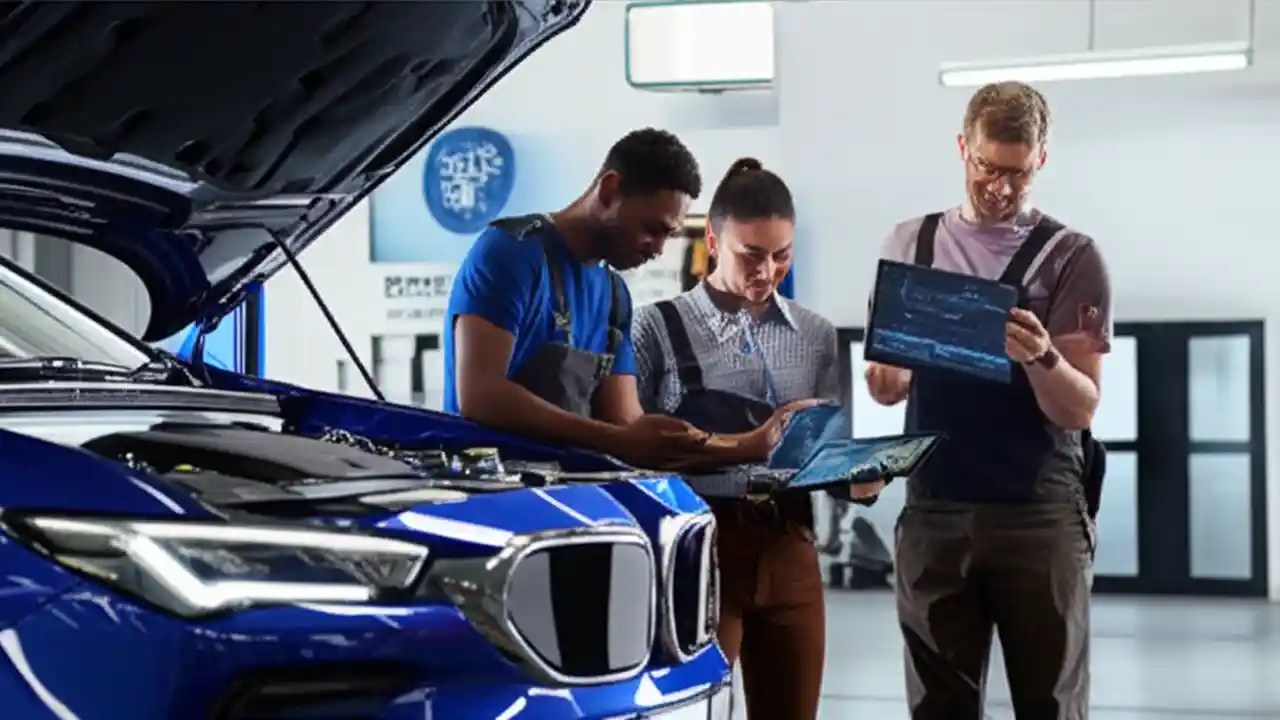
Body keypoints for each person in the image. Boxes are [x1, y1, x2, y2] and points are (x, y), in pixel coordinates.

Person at [865, 82, 1111, 719]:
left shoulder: (1071, 258)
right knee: (938, 706)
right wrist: (890, 369)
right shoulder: (908, 244)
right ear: (961, 149)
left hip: (1037, 520)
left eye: (1018, 173)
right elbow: (886, 387)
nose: (1000, 188)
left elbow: (1080, 408)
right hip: (934, 510)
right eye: (986, 167)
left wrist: (1042, 357)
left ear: (1041, 162)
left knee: (1049, 703)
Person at [633, 157, 884, 720]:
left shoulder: (816, 336)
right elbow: (635, 446)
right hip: (698, 546)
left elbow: (824, 451)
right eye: (751, 253)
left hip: (790, 543)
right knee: (690, 711)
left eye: (781, 254)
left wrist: (858, 479)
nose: (767, 270)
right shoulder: (654, 328)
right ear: (714, 242)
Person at [443, 128, 800, 470]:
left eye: (669, 235)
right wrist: (617, 440)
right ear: (610, 190)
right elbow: (481, 396)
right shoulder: (512, 253)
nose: (659, 250)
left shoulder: (614, 296)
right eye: (652, 229)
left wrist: (750, 445)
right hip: (493, 505)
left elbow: (628, 425)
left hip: (573, 503)